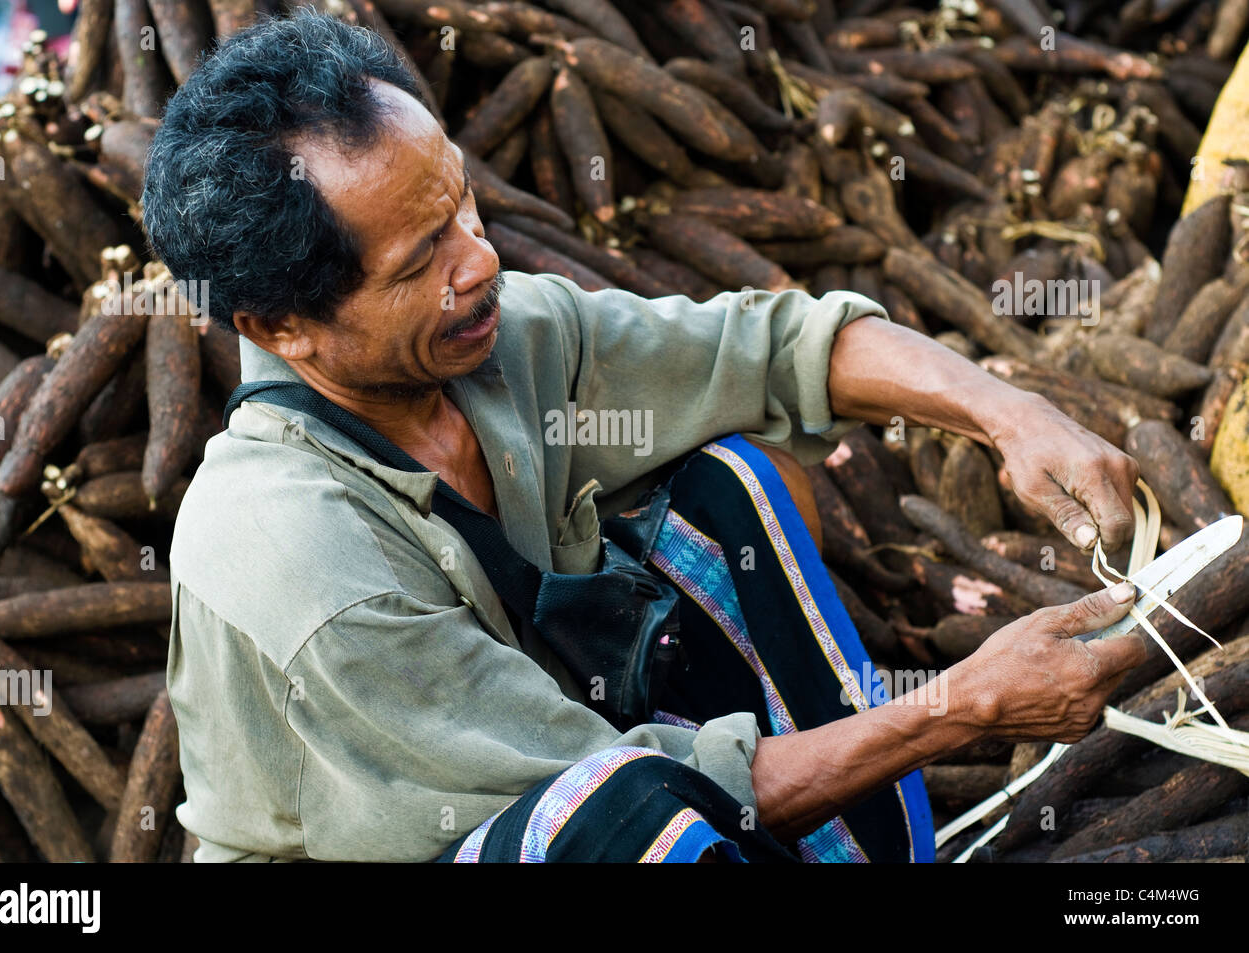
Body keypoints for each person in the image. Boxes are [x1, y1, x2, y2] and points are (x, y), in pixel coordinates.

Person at [142, 11, 1147, 863]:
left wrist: (1010, 414)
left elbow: (763, 349)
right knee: (614, 813)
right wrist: (963, 706)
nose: (480, 260)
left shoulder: (494, 344)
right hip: (468, 832)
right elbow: (606, 794)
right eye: (420, 260)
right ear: (281, 325)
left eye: (462, 202)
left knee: (728, 489)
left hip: (567, 770)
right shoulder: (298, 557)